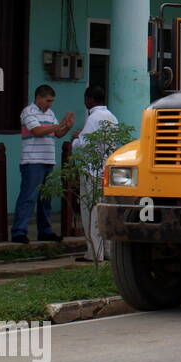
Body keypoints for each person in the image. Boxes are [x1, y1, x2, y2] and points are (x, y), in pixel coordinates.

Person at [11, 85, 74, 243]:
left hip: (47, 160)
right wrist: (58, 125)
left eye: (52, 101)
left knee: (45, 198)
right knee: (29, 197)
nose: (50, 104)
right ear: (38, 98)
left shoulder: (50, 113)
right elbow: (37, 131)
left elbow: (57, 134)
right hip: (32, 160)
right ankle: (19, 231)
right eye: (48, 101)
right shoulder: (28, 112)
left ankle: (45, 231)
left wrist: (67, 126)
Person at [70, 86, 118, 262]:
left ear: (89, 99)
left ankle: (94, 253)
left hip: (92, 170)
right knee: (105, 212)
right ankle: (107, 251)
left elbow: (85, 145)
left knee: (90, 212)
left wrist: (75, 139)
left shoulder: (93, 117)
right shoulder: (112, 117)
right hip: (106, 170)